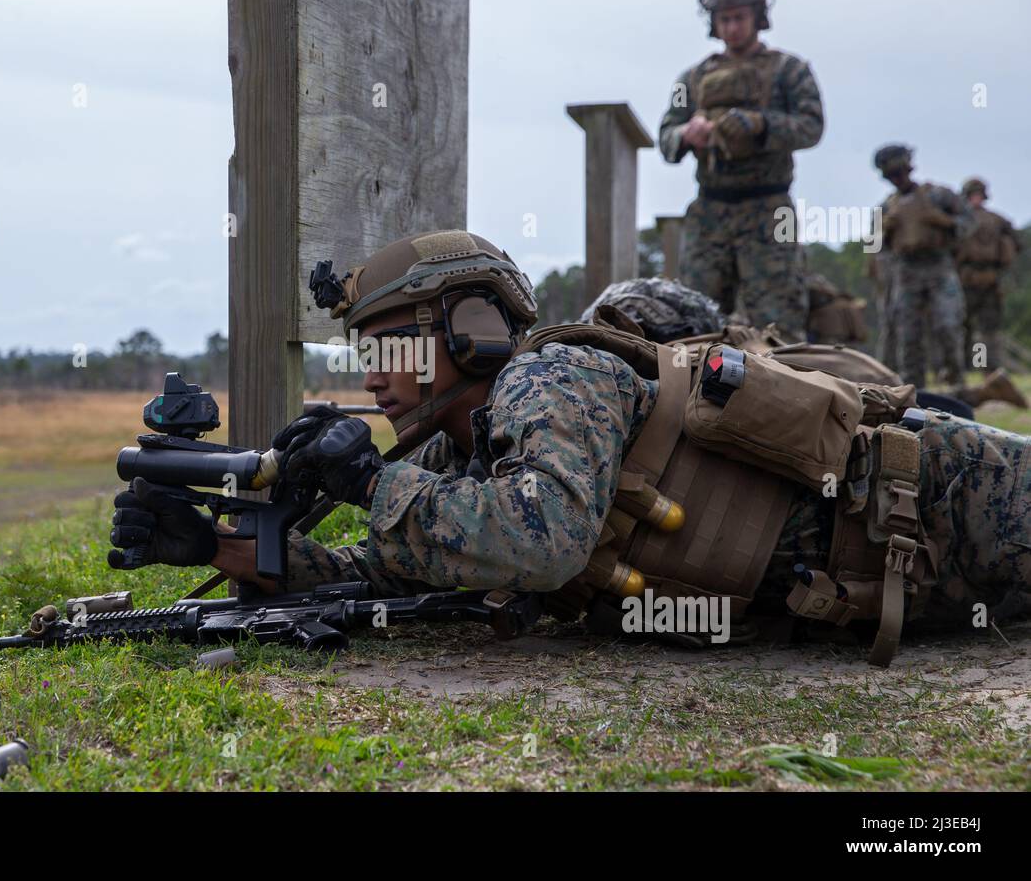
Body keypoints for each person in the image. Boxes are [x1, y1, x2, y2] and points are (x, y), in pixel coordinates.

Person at [110, 231, 1030, 667]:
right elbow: (395, 565)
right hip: (882, 580)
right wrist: (223, 549)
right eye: (365, 356)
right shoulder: (452, 454)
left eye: (391, 348)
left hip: (945, 499)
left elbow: (541, 538)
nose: (377, 380)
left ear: (468, 330)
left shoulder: (551, 381)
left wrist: (366, 478)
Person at [658, 0, 823, 336]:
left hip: (768, 209)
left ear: (758, 17)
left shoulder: (788, 71)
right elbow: (666, 137)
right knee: (694, 322)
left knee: (779, 324)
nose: (732, 27)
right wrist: (687, 134)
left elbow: (812, 127)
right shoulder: (693, 78)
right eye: (724, 19)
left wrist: (762, 124)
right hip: (710, 214)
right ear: (714, 22)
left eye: (739, 18)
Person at [582, 276, 1026, 412]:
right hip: (858, 377)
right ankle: (981, 393)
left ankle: (979, 394)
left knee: (912, 407)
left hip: (864, 389)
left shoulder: (701, 358)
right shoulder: (714, 341)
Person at [873, 144, 972, 388]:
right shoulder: (886, 207)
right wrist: (885, 229)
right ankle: (913, 389)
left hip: (939, 266)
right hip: (905, 270)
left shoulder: (938, 195)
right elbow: (874, 247)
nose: (897, 179)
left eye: (900, 172)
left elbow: (969, 222)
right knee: (908, 334)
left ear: (909, 168)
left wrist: (943, 221)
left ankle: (957, 382)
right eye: (892, 175)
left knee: (948, 325)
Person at [957, 177, 1021, 370]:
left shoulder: (995, 220)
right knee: (965, 328)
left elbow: (1016, 244)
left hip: (988, 280)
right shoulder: (965, 220)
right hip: (967, 279)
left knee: (987, 330)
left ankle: (985, 367)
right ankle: (969, 367)